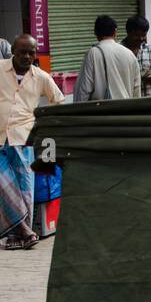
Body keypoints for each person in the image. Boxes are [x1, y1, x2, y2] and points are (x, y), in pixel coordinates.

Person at [1, 34, 64, 250]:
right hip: (0, 136)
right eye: (22, 52)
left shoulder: (41, 77)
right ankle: (25, 232)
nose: (27, 56)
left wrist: (43, 124)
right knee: (5, 185)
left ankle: (21, 236)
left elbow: (59, 101)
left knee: (24, 187)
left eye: (31, 52)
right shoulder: (0, 69)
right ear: (13, 52)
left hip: (24, 137)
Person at [73, 15, 141, 102]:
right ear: (115, 32)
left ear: (96, 33)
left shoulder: (93, 53)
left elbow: (83, 90)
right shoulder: (130, 54)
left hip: (102, 112)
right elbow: (136, 91)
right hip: (126, 111)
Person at [121, 15, 151, 96]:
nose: (141, 38)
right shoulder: (118, 51)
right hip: (125, 103)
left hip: (149, 104)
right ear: (128, 32)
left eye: (144, 35)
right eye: (137, 35)